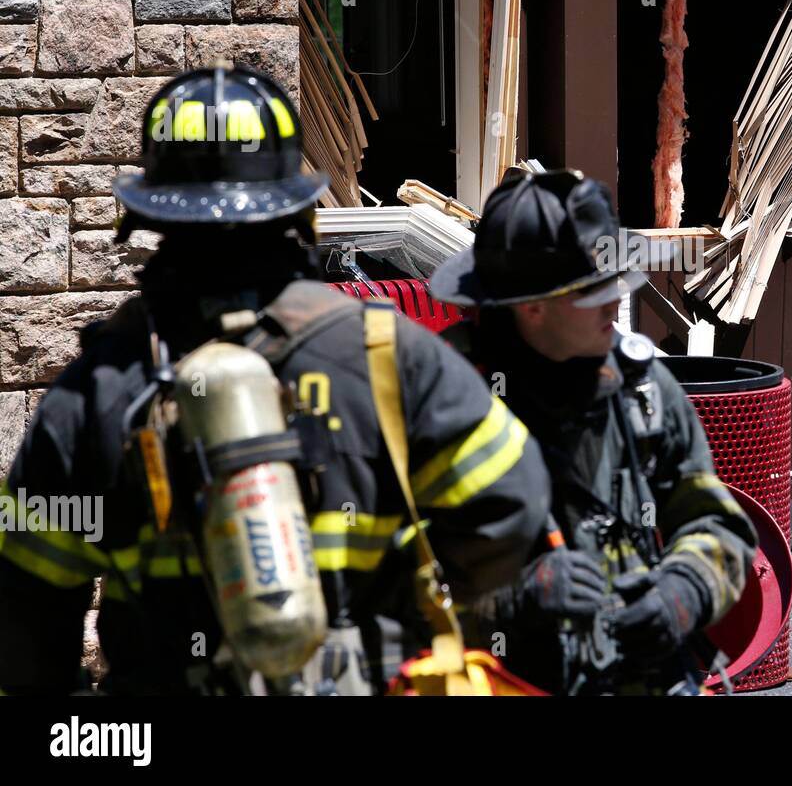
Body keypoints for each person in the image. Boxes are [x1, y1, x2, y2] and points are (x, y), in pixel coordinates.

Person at [0, 66, 550, 695]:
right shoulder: (384, 355)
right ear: (294, 209)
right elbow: (517, 505)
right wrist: (399, 600)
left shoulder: (94, 391)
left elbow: (27, 625)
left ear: (154, 216)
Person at [430, 169, 757, 694]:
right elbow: (381, 580)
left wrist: (683, 590)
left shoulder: (641, 390)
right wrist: (514, 596)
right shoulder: (440, 402)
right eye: (595, 288)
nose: (616, 301)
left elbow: (719, 528)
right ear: (532, 306)